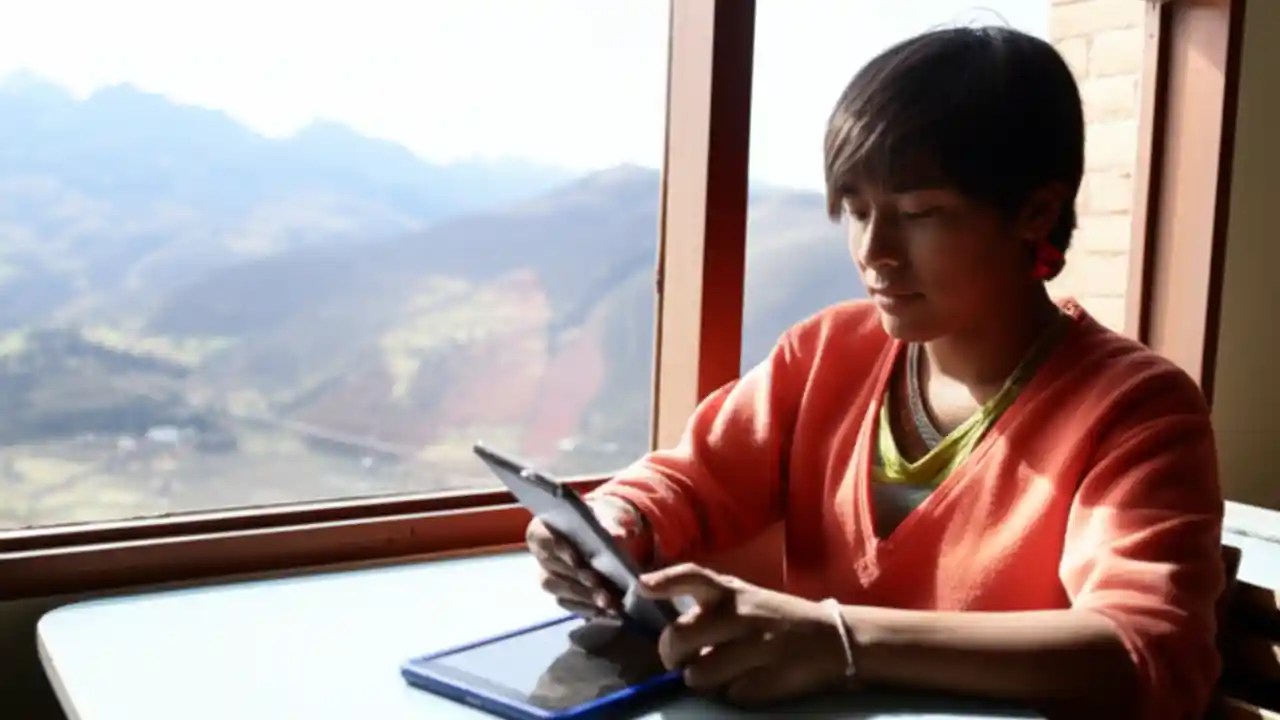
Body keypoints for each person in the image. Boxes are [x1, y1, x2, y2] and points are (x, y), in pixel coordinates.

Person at [526, 25, 1224, 720]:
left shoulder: (1138, 412)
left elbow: (1145, 648)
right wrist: (614, 523)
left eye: (920, 214)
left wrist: (839, 641)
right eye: (856, 211)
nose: (873, 252)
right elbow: (687, 479)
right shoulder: (826, 354)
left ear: (1036, 212)